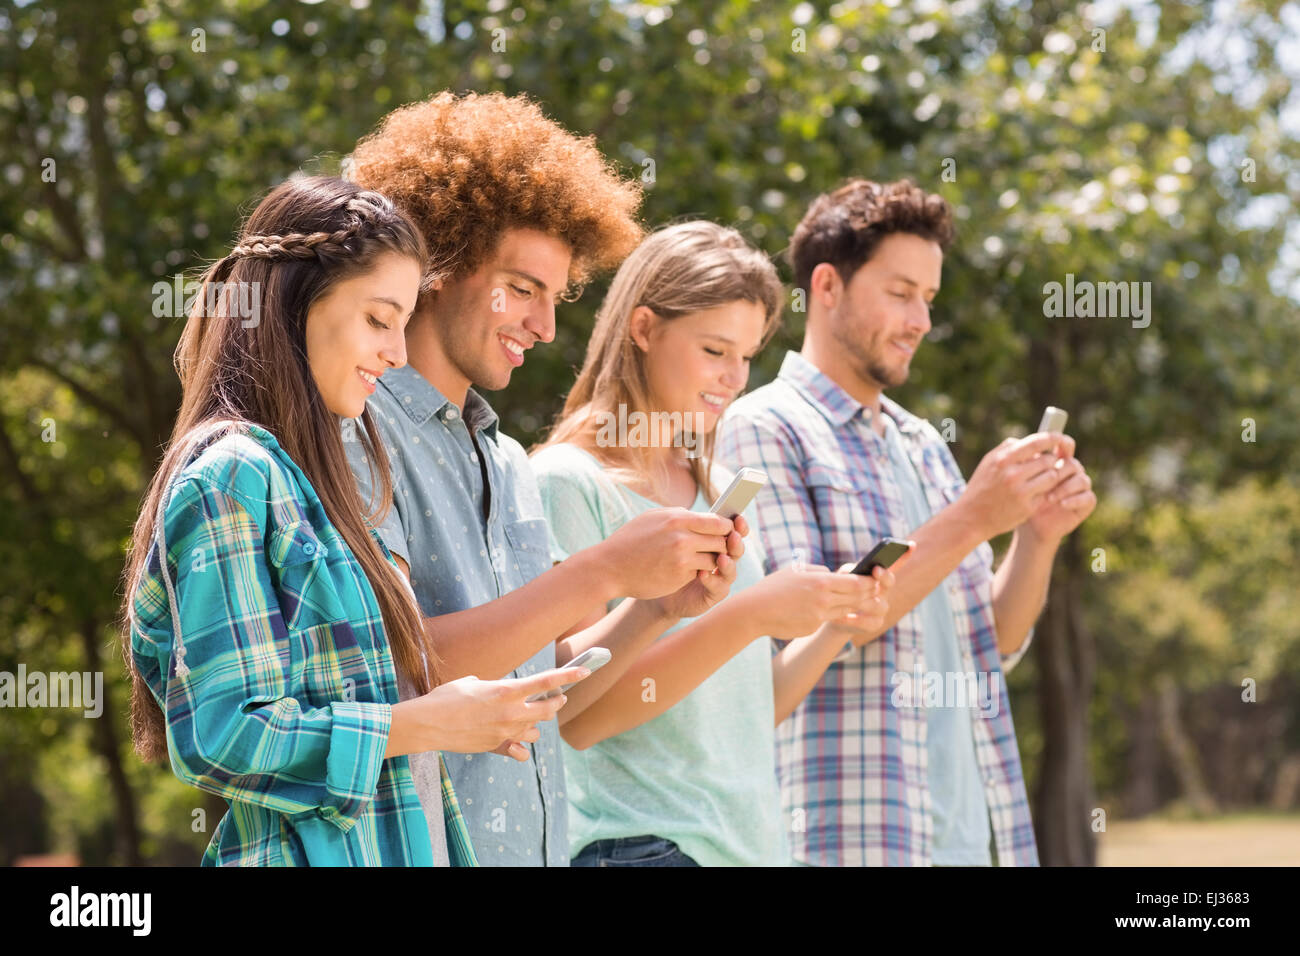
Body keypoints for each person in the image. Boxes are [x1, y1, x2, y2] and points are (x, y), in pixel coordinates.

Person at [121, 176, 585, 867]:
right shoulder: (232, 475)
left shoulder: (316, 481)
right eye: (378, 320)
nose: (397, 353)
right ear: (294, 305)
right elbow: (222, 737)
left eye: (402, 324)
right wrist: (424, 723)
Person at [345, 93, 745, 865]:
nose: (547, 326)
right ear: (439, 263)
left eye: (557, 299)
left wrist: (655, 609)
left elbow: (544, 688)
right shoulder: (357, 435)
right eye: (523, 289)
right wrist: (601, 570)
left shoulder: (508, 462)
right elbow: (397, 666)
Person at [718, 178, 1098, 866]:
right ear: (827, 286)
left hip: (965, 839)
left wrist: (1035, 536)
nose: (921, 320)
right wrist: (974, 516)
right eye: (900, 293)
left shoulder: (922, 443)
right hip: (848, 842)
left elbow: (995, 639)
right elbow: (806, 626)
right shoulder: (764, 427)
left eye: (928, 299)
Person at [531, 220, 898, 867]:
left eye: (746, 355)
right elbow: (578, 715)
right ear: (643, 329)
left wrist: (836, 625)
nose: (734, 377)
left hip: (747, 849)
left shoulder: (719, 485)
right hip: (642, 847)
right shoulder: (567, 480)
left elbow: (748, 711)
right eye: (714, 350)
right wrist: (751, 614)